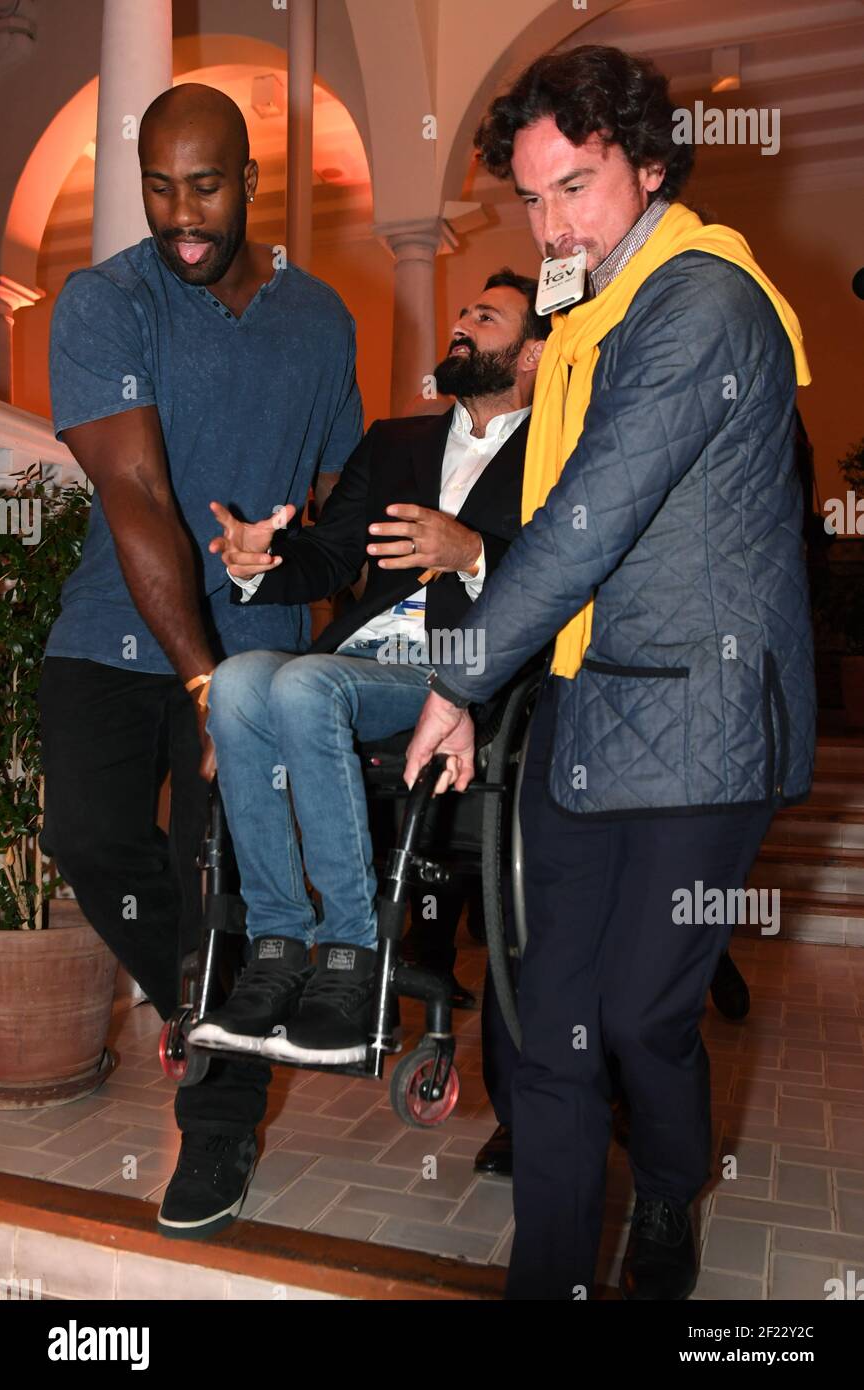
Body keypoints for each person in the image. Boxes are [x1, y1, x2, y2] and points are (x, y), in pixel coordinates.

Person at [404, 44, 815, 1300]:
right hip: (584, 715)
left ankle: (671, 1192)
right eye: (528, 200)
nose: (548, 227)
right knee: (540, 1024)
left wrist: (459, 680)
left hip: (700, 724)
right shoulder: (588, 321)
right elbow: (550, 530)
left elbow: (587, 523)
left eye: (573, 188)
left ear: (648, 164)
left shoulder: (699, 305)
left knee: (638, 1015)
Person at [38, 84, 361, 1236]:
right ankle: (204, 1001)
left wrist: (307, 596)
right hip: (116, 632)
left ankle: (217, 1130)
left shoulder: (320, 319)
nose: (182, 213)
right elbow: (135, 494)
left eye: (207, 186)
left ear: (252, 183)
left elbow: (334, 508)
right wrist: (199, 680)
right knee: (85, 830)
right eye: (159, 186)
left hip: (261, 650)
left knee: (215, 878)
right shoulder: (103, 300)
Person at [187, 271, 548, 1091]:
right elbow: (328, 555)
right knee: (243, 680)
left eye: (483, 317)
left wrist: (476, 555)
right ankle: (277, 947)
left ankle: (353, 954)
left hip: (464, 672)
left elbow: (570, 576)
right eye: (461, 309)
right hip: (363, 660)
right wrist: (259, 557)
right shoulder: (394, 443)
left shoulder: (559, 449)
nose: (460, 323)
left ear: (531, 354)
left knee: (305, 685)